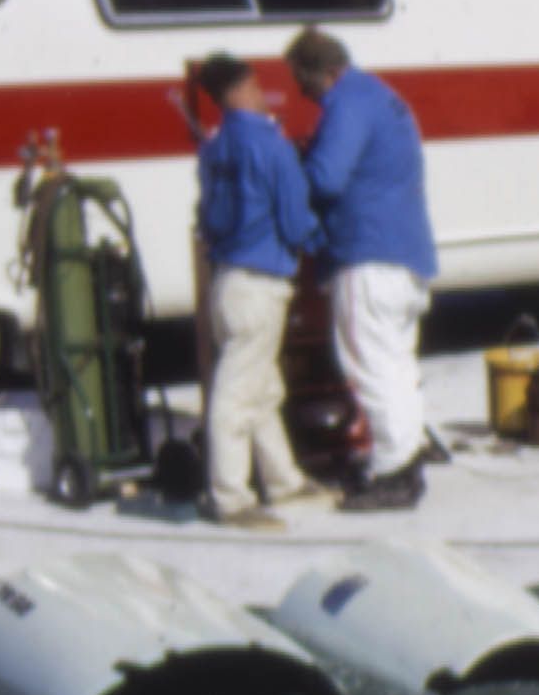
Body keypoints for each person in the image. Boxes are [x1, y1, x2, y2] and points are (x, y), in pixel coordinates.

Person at [287, 26, 437, 510]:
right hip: (405, 252)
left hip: (367, 254)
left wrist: (292, 169)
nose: (301, 94)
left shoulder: (346, 103)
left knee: (371, 363)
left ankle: (393, 473)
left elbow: (327, 179)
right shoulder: (382, 96)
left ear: (326, 72)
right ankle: (404, 458)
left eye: (304, 83)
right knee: (395, 362)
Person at [182, 55, 320, 528]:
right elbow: (295, 220)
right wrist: (321, 239)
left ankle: (284, 482)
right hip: (260, 284)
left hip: (225, 281)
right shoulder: (271, 145)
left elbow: (208, 217)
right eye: (257, 84)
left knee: (261, 389)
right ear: (242, 88)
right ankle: (231, 499)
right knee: (237, 395)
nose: (263, 92)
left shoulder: (213, 150)